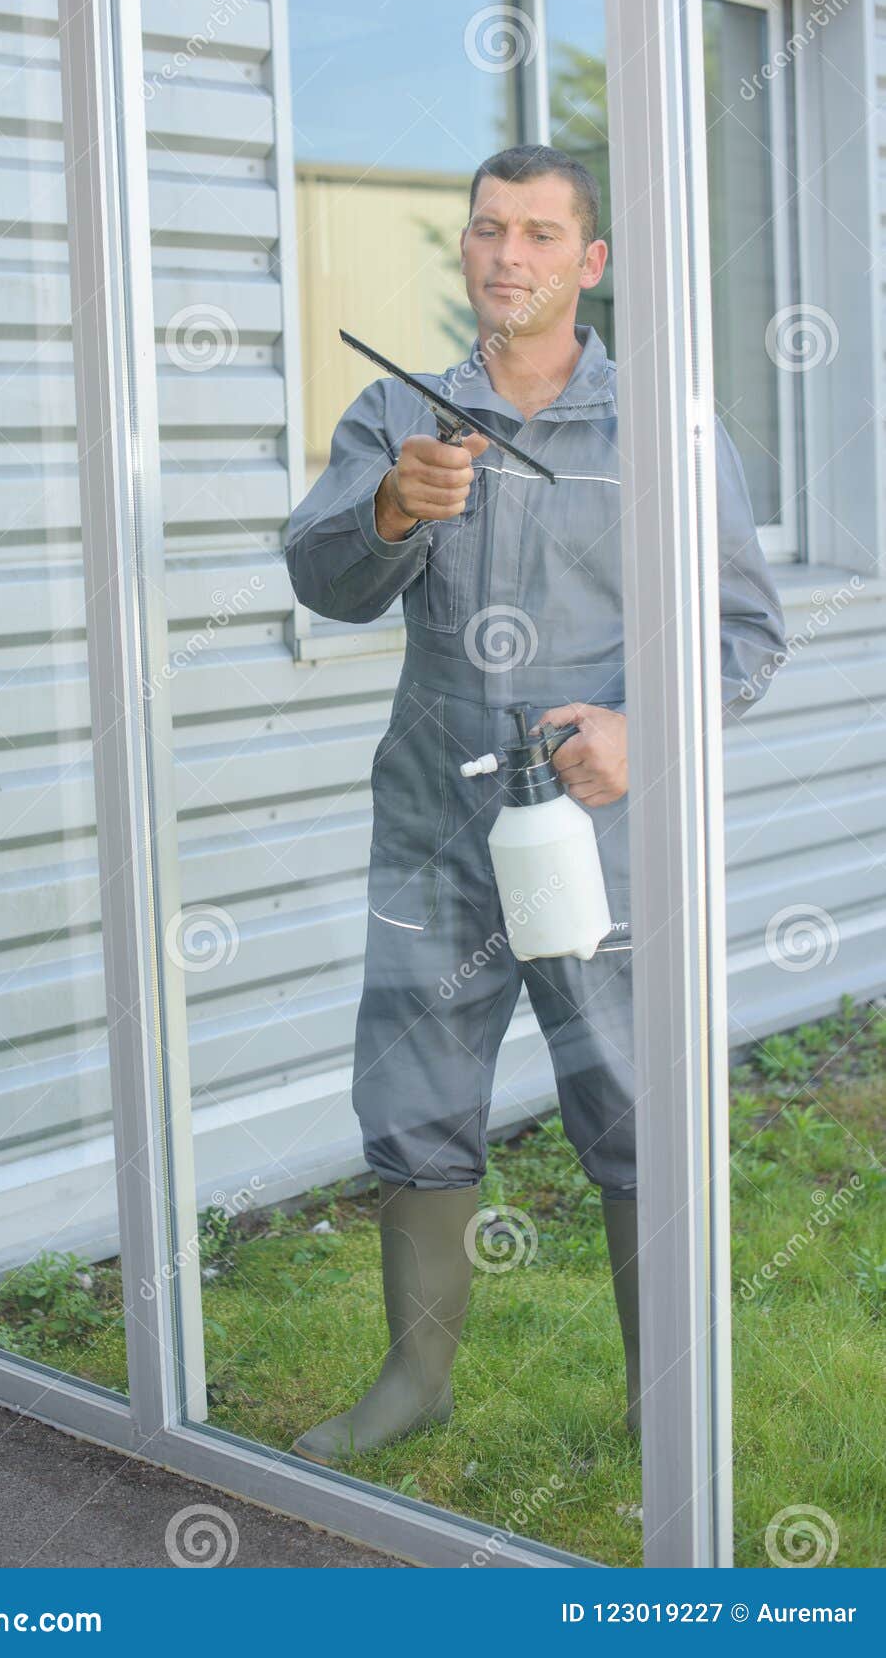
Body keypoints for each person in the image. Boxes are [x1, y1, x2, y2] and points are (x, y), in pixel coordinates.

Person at [283, 144, 787, 1466]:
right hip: (436, 822)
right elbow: (326, 580)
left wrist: (646, 729)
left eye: (542, 234)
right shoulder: (403, 415)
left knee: (632, 1102)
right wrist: (392, 506)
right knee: (411, 1088)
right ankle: (413, 1380)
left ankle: (658, 1399)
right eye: (489, 229)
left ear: (590, 261)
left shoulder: (663, 428)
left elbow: (742, 628)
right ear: (465, 248)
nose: (510, 254)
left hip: (599, 833)